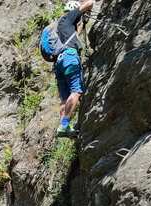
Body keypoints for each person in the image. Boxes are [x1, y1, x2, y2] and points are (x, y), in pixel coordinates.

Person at [54, 0, 95, 137]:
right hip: (69, 58)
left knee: (65, 99)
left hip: (59, 62)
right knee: (76, 91)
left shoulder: (60, 25)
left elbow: (76, 33)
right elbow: (90, 3)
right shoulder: (69, 16)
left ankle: (64, 126)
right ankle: (64, 124)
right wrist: (84, 9)